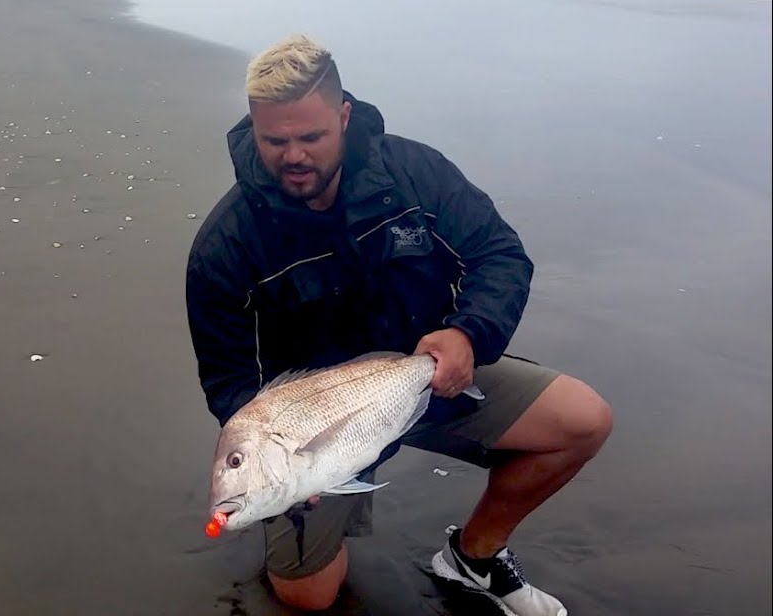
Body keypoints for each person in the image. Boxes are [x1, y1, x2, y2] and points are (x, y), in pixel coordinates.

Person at [184, 35, 613, 615]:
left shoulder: (414, 175)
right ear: (253, 129)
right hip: (315, 433)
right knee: (307, 598)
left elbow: (500, 255)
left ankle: (474, 558)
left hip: (434, 377)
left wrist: (468, 335)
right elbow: (228, 378)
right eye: (275, 141)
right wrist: (276, 468)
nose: (294, 156)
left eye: (311, 137)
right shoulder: (225, 247)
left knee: (583, 421)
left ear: (344, 115)